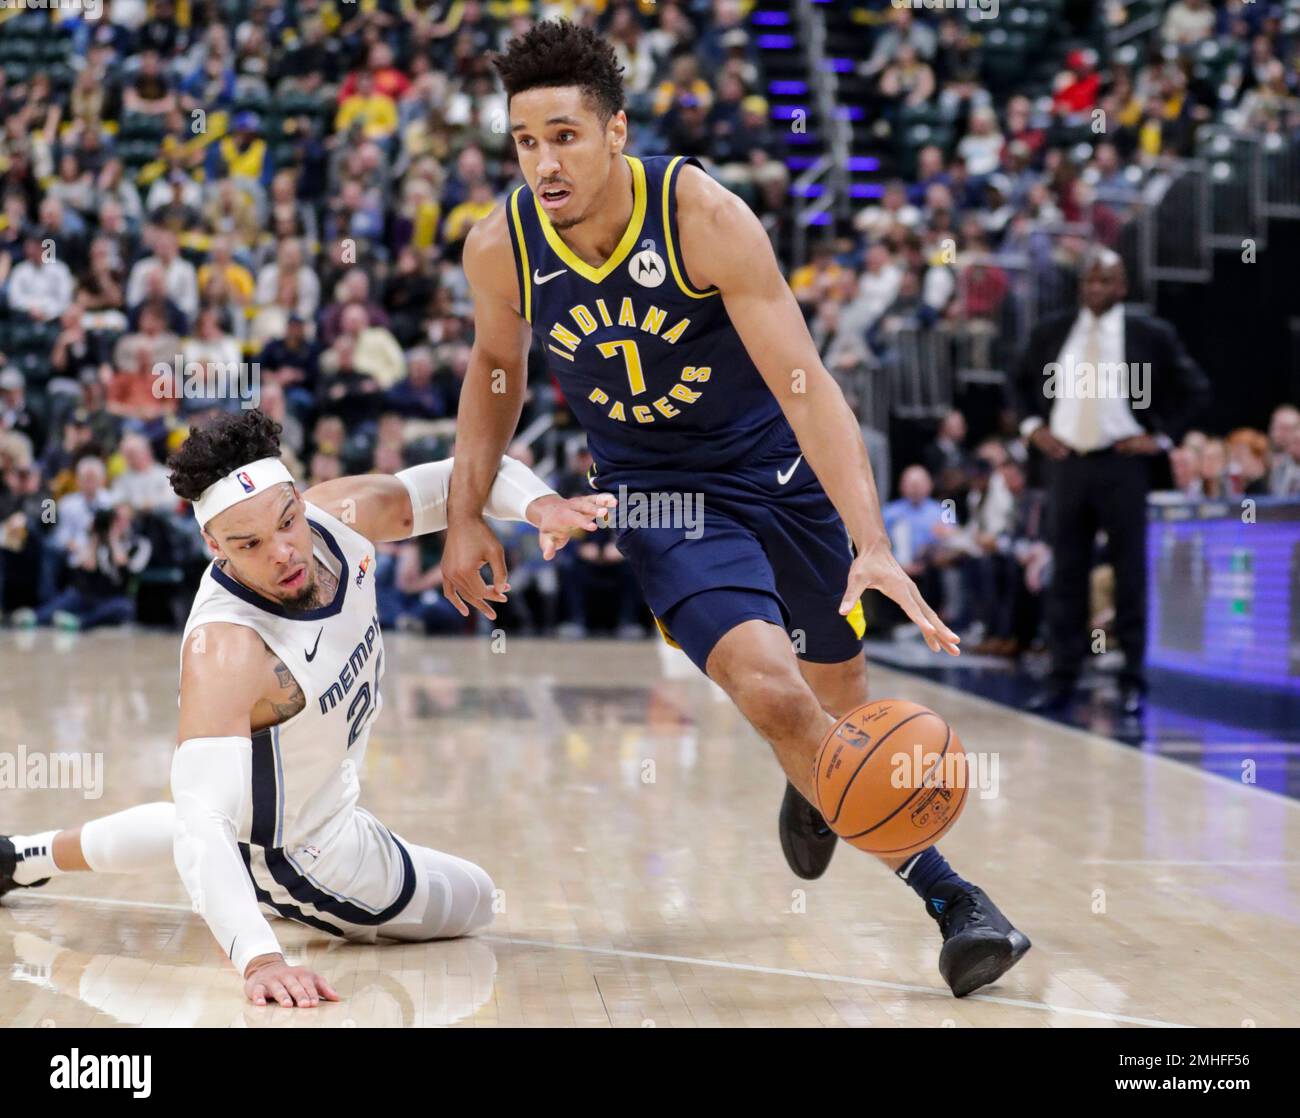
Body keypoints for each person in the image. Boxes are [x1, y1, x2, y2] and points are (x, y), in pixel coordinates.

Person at [439, 20, 1028, 998]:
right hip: (661, 496)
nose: (543, 161)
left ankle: (817, 781)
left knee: (837, 696)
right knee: (766, 686)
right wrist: (465, 515)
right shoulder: (500, 246)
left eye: (564, 135)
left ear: (616, 129)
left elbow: (805, 384)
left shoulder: (702, 215)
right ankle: (952, 898)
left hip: (778, 475)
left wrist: (873, 543)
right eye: (524, 140)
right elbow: (496, 369)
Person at [1, 408, 613, 1008]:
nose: (284, 552)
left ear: (297, 496)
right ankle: (245, 894)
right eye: (250, 544)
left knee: (219, 822)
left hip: (310, 796)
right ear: (213, 545)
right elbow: (199, 822)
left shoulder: (339, 515)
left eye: (287, 522)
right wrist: (259, 956)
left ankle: (21, 857)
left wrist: (540, 507)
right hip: (304, 851)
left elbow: (470, 476)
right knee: (476, 897)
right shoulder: (226, 649)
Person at [1016, 247, 1209, 716]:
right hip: (1067, 463)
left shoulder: (1150, 333)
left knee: (1129, 574)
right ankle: (1062, 679)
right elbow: (1017, 383)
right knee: (1066, 575)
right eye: (1090, 281)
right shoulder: (1053, 331)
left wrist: (1161, 437)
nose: (1097, 289)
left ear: (1123, 285)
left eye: (1107, 281)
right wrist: (1031, 429)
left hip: (1123, 463)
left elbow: (1195, 388)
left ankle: (1132, 682)